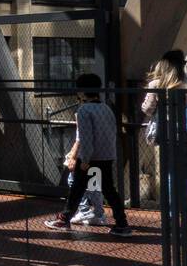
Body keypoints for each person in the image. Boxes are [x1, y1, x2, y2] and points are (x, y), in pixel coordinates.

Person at [45, 74, 132, 236]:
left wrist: (84, 160)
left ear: (82, 91)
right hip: (107, 155)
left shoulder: (84, 110)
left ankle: (64, 219)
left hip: (90, 158)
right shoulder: (106, 108)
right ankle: (122, 223)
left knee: (77, 188)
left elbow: (85, 138)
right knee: (109, 190)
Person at [142, 50, 187, 230]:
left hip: (170, 139)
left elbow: (148, 109)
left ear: (164, 65)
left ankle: (174, 218)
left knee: (172, 178)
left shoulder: (157, 84)